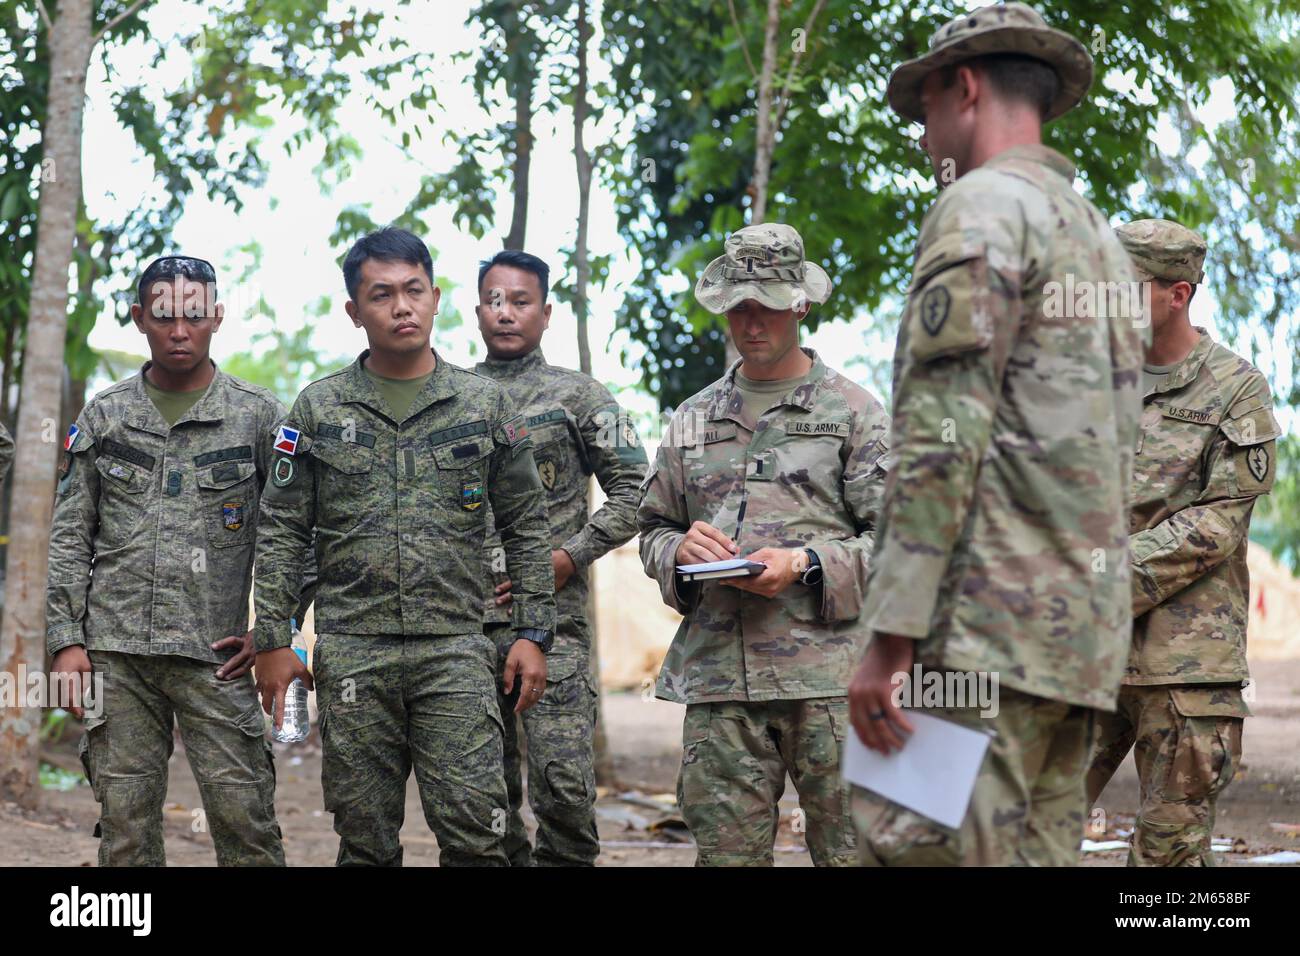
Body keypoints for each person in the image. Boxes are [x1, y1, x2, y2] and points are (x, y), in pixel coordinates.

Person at [847, 2, 1146, 865]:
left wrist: (891, 633)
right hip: (1079, 646)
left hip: (979, 637)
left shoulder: (979, 208)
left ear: (965, 89)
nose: (923, 136)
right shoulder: (1100, 239)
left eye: (926, 111)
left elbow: (944, 435)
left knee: (915, 851)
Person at [252, 227, 556, 866]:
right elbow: (282, 529)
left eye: (414, 290)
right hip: (354, 654)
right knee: (364, 841)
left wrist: (532, 631)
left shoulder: (484, 405)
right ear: (354, 311)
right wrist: (274, 641)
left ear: (437, 297)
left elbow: (526, 525)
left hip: (455, 652)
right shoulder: (318, 409)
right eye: (382, 294)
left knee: (478, 835)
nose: (402, 307)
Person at [638, 222, 890, 866]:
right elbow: (654, 527)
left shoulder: (855, 412)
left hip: (832, 686)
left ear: (800, 304)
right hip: (722, 686)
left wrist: (806, 565)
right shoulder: (692, 419)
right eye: (739, 308)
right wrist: (677, 552)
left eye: (769, 307)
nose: (753, 324)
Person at [46, 255, 303, 866]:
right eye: (163, 316)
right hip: (117, 653)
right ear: (140, 319)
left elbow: (298, 533)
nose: (179, 330)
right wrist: (65, 640)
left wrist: (272, 633)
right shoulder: (106, 416)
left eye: (193, 315)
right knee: (125, 829)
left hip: (218, 658)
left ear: (217, 317)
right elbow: (68, 536)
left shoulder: (260, 416)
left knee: (247, 826)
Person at [1086, 219, 1279, 866]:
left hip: (1185, 667)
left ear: (1179, 293)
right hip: (1078, 653)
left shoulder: (1236, 389)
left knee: (1168, 859)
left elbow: (1217, 524)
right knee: (1019, 829)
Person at [473, 250, 648, 866]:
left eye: (520, 302)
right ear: (475, 312)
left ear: (546, 313)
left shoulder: (579, 395)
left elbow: (638, 491)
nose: (506, 313)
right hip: (464, 636)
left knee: (565, 797)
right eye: (494, 301)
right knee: (481, 807)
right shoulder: (451, 397)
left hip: (555, 634)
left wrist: (568, 558)